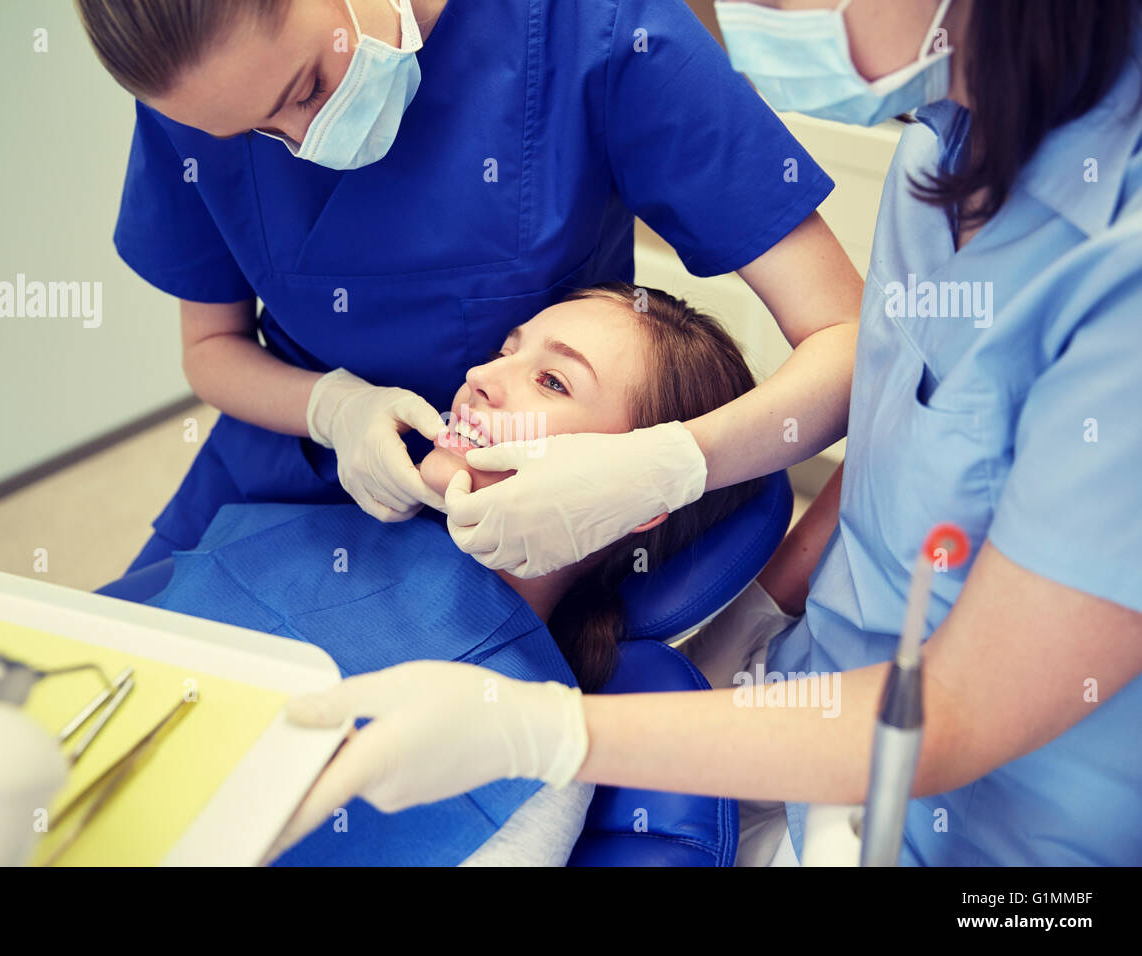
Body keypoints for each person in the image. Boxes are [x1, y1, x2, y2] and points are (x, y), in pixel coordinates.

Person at [270, 0, 1142, 867]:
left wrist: (547, 736)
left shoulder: (1119, 279)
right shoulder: (939, 160)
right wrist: (756, 620)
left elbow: (960, 713)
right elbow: (899, 445)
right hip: (801, 702)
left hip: (994, 834)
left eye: (551, 377)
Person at [76, 0, 862, 580]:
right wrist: (333, 409)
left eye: (310, 87)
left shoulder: (597, 31)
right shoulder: (202, 93)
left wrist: (668, 465)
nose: (301, 145)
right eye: (250, 134)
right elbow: (211, 349)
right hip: (275, 479)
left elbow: (851, 341)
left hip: (524, 527)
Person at [143, 283, 762, 864]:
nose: (480, 378)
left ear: (634, 493)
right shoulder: (318, 530)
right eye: (504, 350)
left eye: (552, 381)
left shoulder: (529, 749)